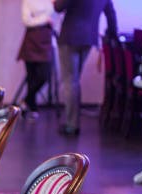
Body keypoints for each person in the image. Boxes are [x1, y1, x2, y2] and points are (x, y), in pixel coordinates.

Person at [54, 0, 118, 136]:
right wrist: (112, 33)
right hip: (89, 38)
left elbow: (58, 7)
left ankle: (72, 125)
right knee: (74, 81)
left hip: (70, 37)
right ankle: (73, 121)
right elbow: (111, 14)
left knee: (70, 81)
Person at [18, 0, 56, 120]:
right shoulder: (28, 1)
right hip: (32, 39)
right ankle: (32, 107)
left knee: (44, 75)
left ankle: (25, 101)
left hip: (46, 39)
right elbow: (26, 21)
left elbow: (56, 13)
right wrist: (44, 19)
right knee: (31, 76)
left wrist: (39, 18)